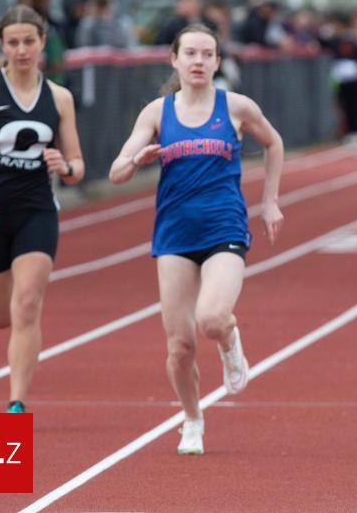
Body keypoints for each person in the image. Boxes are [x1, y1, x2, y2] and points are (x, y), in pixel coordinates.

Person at [109, 24, 284, 455]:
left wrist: (269, 202)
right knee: (180, 345)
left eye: (208, 54)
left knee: (211, 318)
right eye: (190, 53)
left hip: (223, 227)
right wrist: (138, 158)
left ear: (218, 62)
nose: (199, 61)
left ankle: (230, 344)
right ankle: (191, 419)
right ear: (175, 60)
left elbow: (274, 142)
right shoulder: (156, 113)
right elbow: (116, 173)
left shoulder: (236, 106)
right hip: (173, 234)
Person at [0, 5, 86, 413]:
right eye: (13, 43)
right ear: (2, 46)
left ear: (42, 43)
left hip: (36, 212)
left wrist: (67, 166)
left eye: (29, 42)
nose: (22, 50)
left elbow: (77, 167)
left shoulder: (59, 98)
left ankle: (16, 402)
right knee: (1, 316)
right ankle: (15, 383)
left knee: (27, 303)